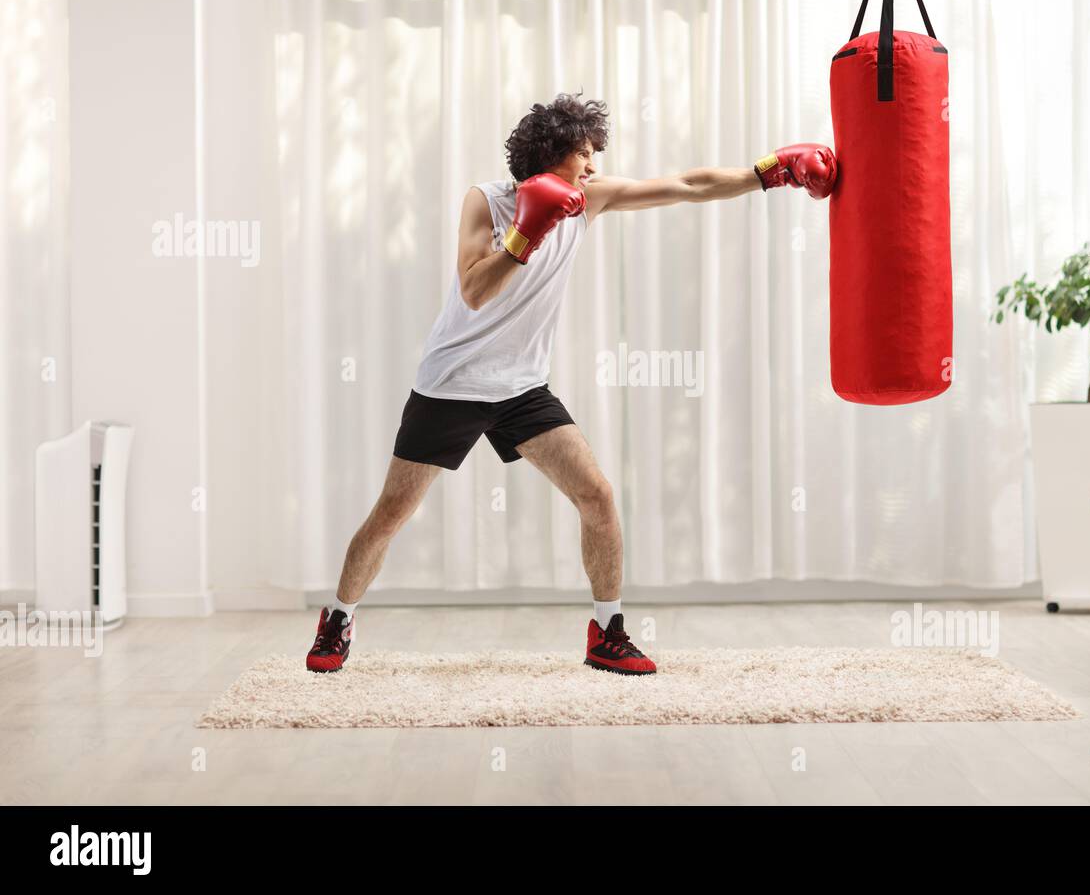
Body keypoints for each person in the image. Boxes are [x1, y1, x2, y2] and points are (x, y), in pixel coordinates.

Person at [307, 92, 836, 675]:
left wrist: (767, 173)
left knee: (598, 496)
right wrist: (527, 232)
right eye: (584, 154)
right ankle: (338, 616)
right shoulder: (488, 201)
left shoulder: (590, 200)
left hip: (522, 389)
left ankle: (607, 632)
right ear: (552, 154)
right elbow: (475, 290)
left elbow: (684, 185)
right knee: (392, 512)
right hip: (451, 383)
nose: (592, 166)